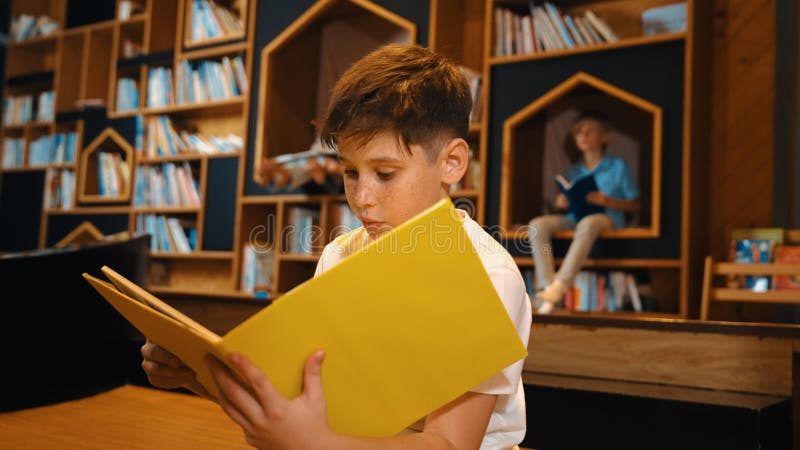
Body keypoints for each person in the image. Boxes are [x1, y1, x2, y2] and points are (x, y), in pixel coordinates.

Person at [141, 43, 532, 450]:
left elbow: (450, 444)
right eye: (350, 172)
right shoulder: (341, 253)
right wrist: (198, 377)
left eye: (384, 173)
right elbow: (308, 405)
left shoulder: (487, 275)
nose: (362, 197)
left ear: (451, 163)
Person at [529, 110, 640, 314]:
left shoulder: (618, 166)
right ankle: (546, 286)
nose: (583, 136)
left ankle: (560, 285)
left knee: (588, 223)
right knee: (537, 225)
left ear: (604, 136)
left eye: (589, 131)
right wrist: (563, 201)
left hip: (606, 217)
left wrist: (608, 200)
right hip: (575, 216)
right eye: (579, 133)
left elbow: (634, 204)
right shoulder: (574, 171)